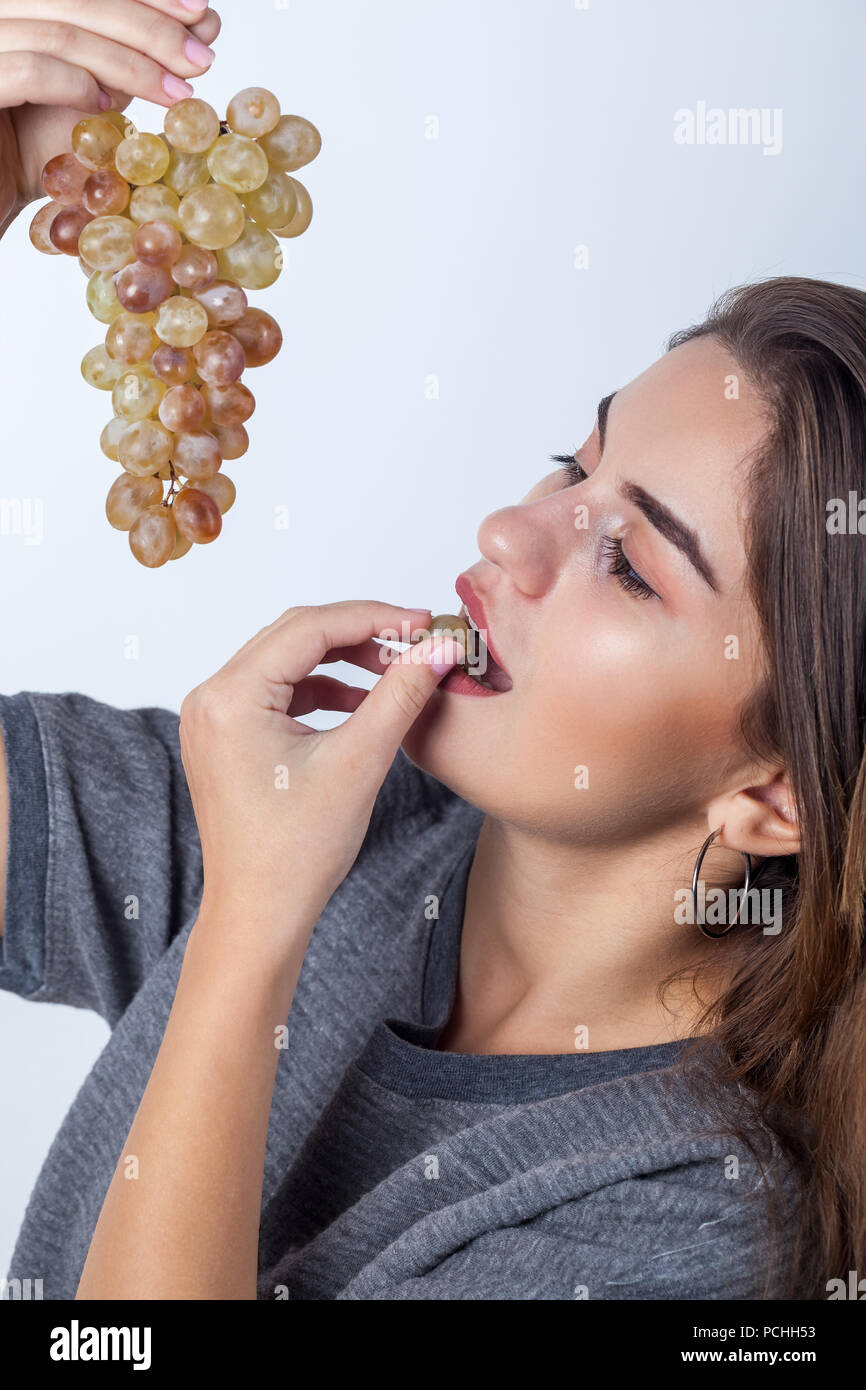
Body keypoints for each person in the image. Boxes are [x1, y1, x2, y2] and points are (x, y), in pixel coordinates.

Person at [0, 4, 857, 1304]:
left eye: (629, 560)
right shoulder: (341, 828)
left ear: (772, 795)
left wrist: (247, 926)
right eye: (577, 460)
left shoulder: (688, 1227)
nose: (509, 528)